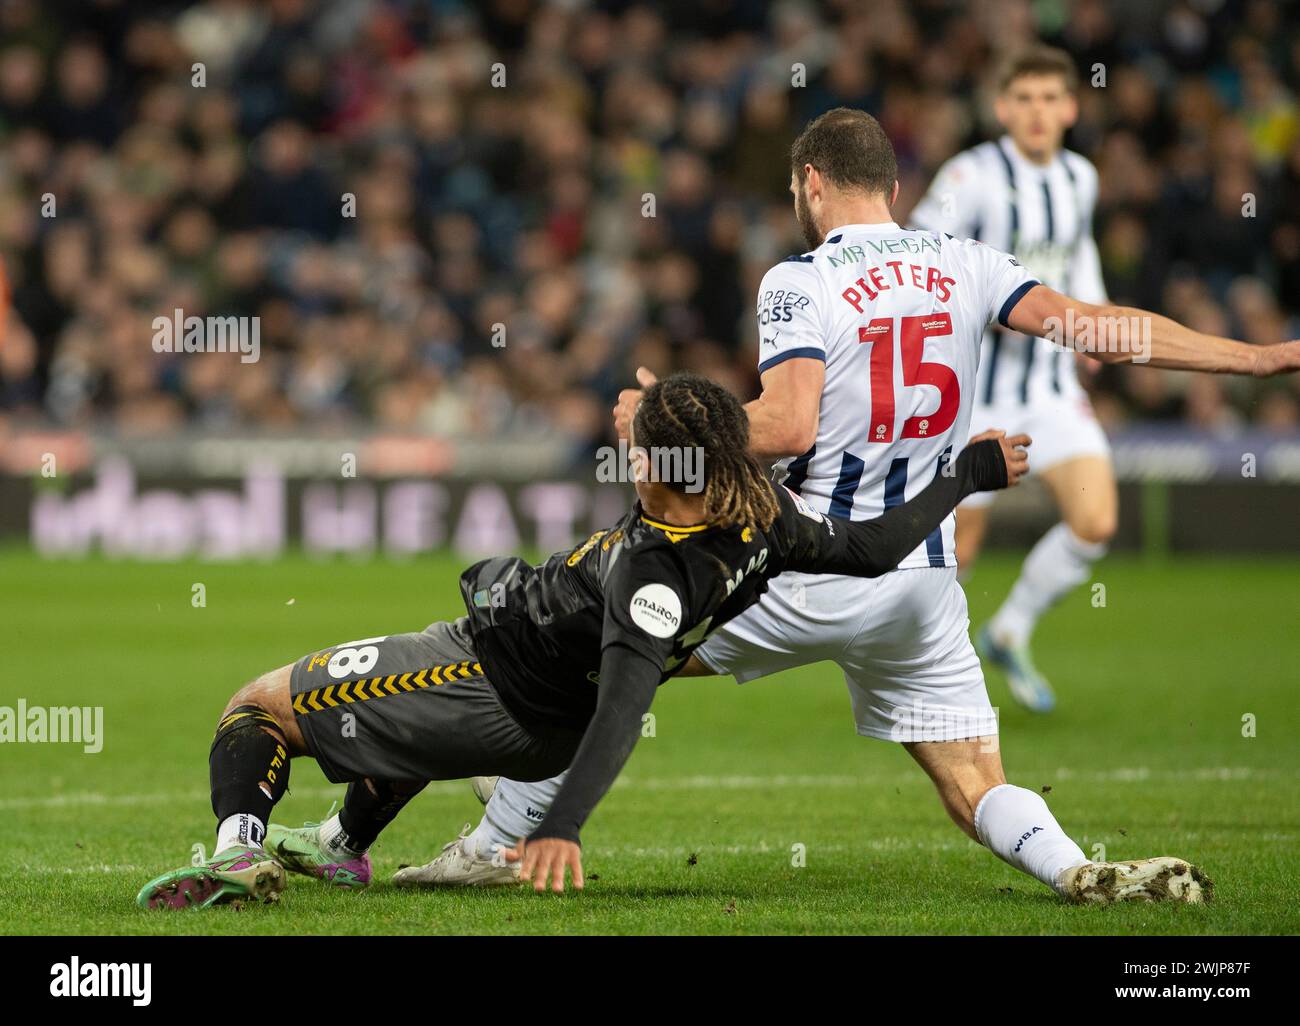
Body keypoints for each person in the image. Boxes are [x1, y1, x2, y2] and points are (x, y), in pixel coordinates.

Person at [413, 106, 1299, 904]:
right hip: (917, 575)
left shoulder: (798, 280)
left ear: (811, 182)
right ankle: (1074, 868)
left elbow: (789, 426)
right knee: (971, 777)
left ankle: (495, 843)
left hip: (795, 564)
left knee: (604, 657)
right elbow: (1103, 328)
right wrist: (1254, 359)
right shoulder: (971, 264)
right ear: (895, 186)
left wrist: (655, 425)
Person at [136, 372, 1022, 907]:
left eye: (641, 450)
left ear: (659, 469)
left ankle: (236, 852)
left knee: (259, 704)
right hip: (522, 697)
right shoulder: (763, 519)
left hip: (488, 680)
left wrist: (559, 827)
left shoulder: (653, 576)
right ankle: (340, 848)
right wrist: (966, 474)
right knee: (402, 723)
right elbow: (868, 551)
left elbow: (628, 707)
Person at [909, 45, 1115, 712]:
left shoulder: (1081, 178)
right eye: (1024, 99)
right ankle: (930, 678)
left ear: (1071, 109)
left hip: (1052, 392)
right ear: (1001, 108)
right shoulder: (968, 178)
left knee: (1096, 521)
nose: (1037, 112)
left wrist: (1094, 324)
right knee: (959, 549)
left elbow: (1077, 255)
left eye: (1050, 99)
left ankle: (1010, 628)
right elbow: (916, 254)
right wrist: (978, 306)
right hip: (973, 397)